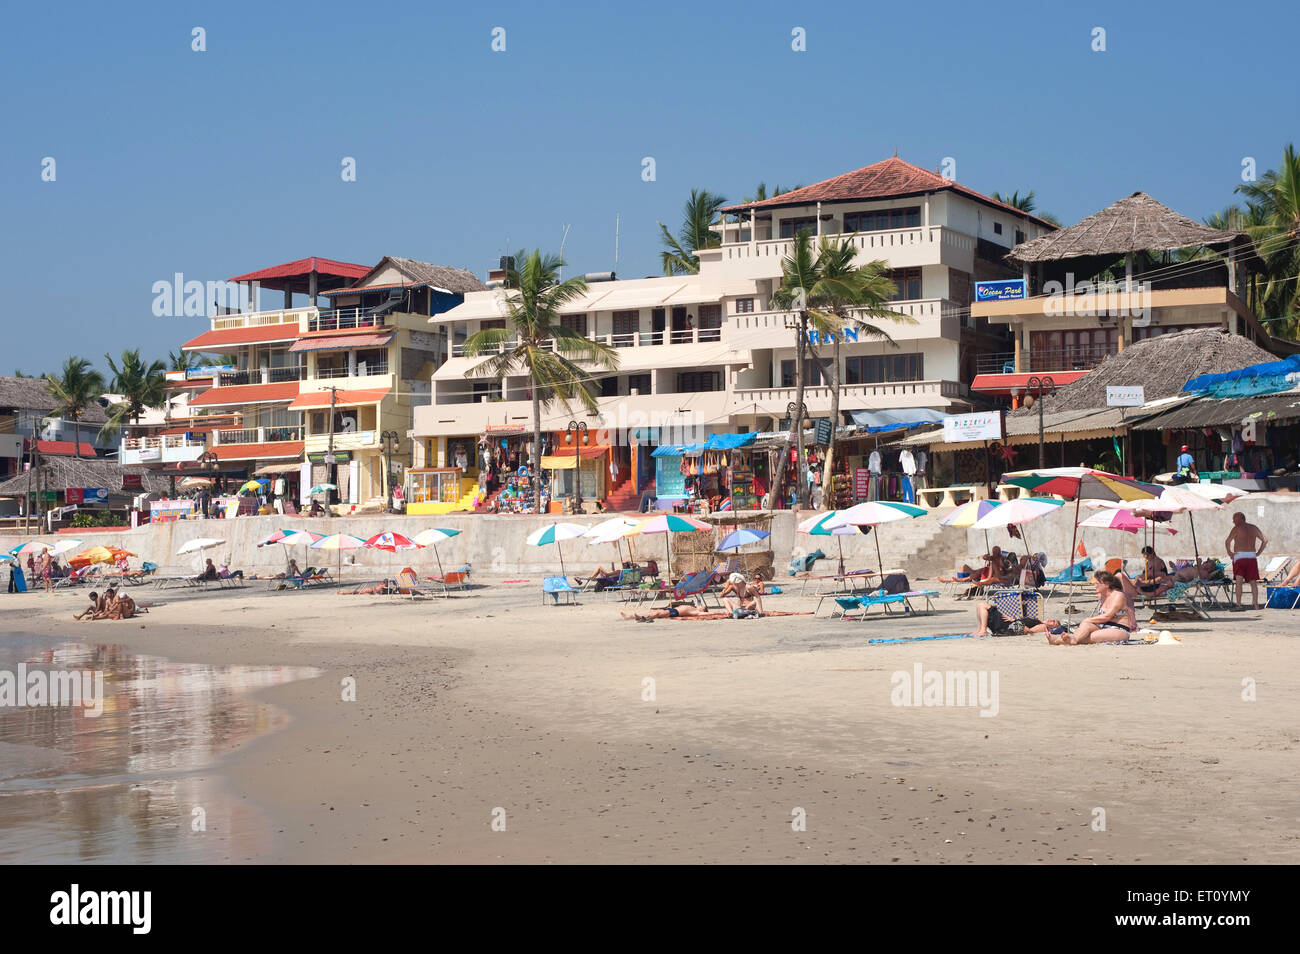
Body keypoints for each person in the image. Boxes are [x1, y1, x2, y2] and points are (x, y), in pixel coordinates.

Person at [1050, 571, 1135, 645]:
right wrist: (1086, 622)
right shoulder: (1102, 595)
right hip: (1103, 626)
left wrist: (1088, 620)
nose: (1094, 585)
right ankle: (1073, 639)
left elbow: (1107, 616)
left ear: (1106, 584)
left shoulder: (1118, 595)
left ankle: (1059, 640)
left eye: (1097, 583)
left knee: (1092, 636)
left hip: (1119, 629)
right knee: (1085, 625)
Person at [1225, 511, 1268, 610]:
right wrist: (1258, 553)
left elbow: (1227, 542)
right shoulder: (1254, 528)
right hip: (1252, 557)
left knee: (1239, 582)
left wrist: (1230, 553)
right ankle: (1256, 605)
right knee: (1253, 582)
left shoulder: (1236, 528)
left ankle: (1239, 604)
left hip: (1240, 557)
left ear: (1241, 519)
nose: (1233, 522)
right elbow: (1265, 540)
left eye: (1235, 519)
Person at [971, 600, 1061, 637]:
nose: (1052, 620)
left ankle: (983, 630)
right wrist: (1013, 619)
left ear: (1052, 628)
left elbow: (1029, 630)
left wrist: (1014, 620)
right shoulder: (1039, 621)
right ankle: (980, 630)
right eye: (1054, 619)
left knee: (982, 605)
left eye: (1054, 623)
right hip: (1007, 623)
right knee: (980, 606)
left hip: (1006, 626)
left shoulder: (1044, 626)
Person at [621, 602, 711, 621]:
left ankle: (640, 617)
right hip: (671, 609)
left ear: (702, 609)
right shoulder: (693, 607)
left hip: (674, 612)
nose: (701, 605)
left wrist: (723, 613)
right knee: (654, 611)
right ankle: (631, 616)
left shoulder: (697, 612)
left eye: (703, 606)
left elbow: (708, 614)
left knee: (656, 614)